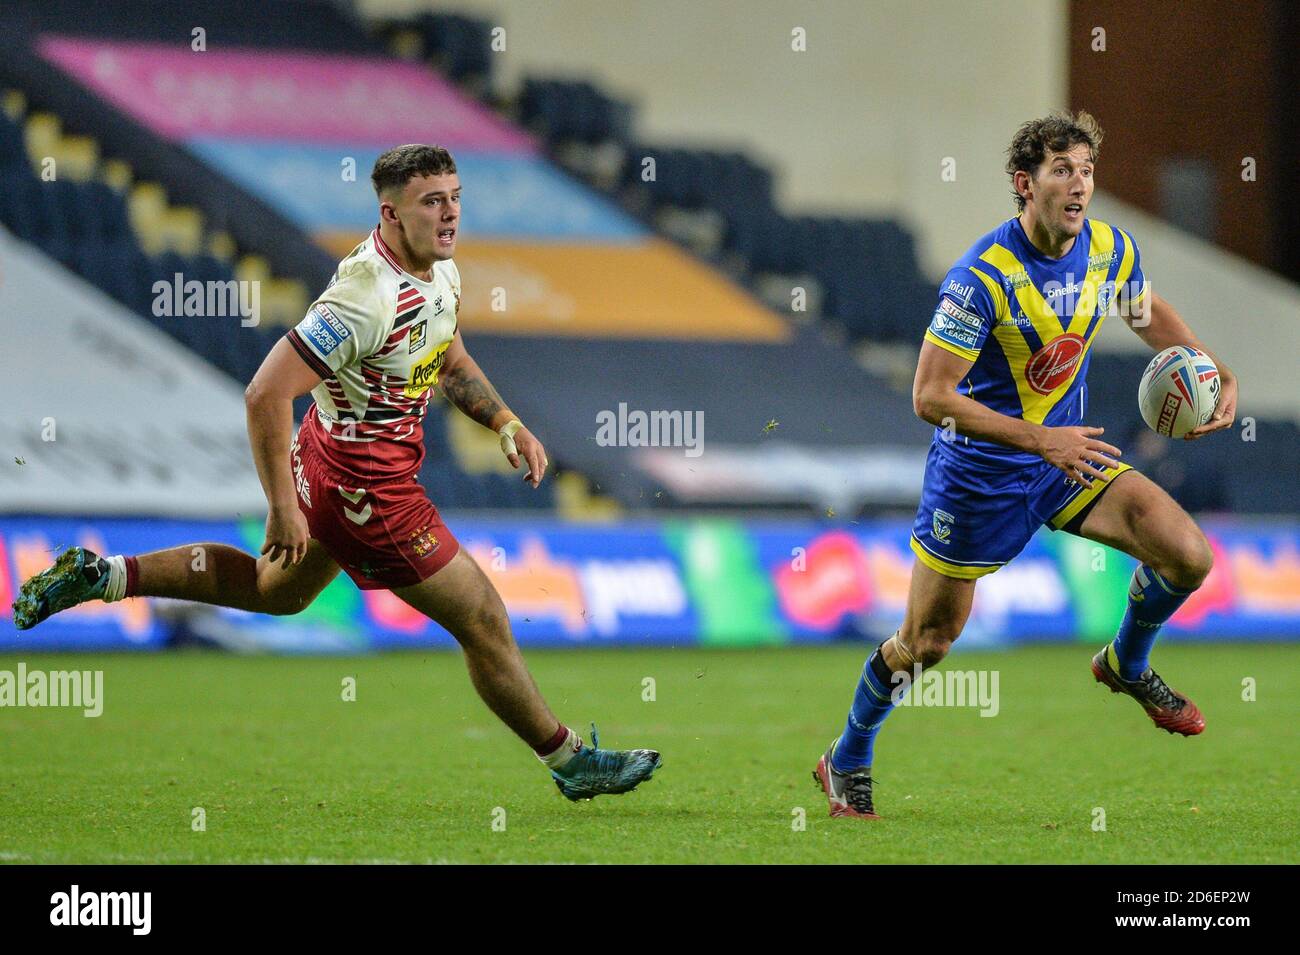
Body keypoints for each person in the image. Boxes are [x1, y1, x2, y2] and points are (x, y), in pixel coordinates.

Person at [13, 144, 661, 802]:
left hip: (331, 464)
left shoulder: (438, 271)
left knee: (277, 591)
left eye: (455, 197)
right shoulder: (363, 298)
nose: (450, 213)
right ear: (391, 212)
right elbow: (265, 393)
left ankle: (108, 574)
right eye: (432, 202)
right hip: (367, 490)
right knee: (484, 617)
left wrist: (505, 423)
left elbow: (452, 359)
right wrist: (280, 507)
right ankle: (570, 760)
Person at [814, 112, 1238, 820]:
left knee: (1188, 555)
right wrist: (1042, 440)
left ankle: (1125, 664)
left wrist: (1211, 368)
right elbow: (929, 396)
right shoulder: (981, 279)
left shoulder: (1105, 248)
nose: (1080, 185)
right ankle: (848, 753)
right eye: (1063, 171)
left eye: (1088, 171)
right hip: (980, 474)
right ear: (1025, 183)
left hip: (1064, 459)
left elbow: (1145, 310)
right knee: (927, 642)